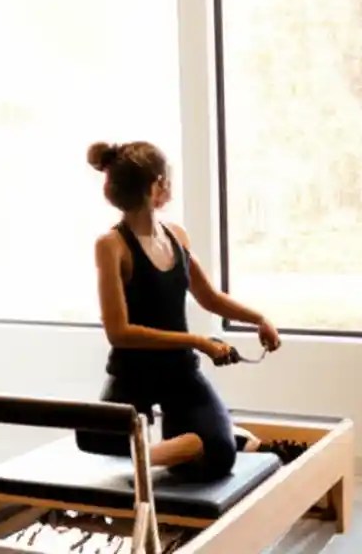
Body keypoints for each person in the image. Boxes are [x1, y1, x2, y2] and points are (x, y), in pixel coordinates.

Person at [76, 140, 283, 481]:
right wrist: (198, 342)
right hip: (132, 375)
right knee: (93, 439)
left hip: (178, 371)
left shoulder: (176, 236)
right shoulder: (111, 246)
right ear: (157, 185)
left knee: (219, 455)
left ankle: (166, 449)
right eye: (166, 179)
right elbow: (119, 333)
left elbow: (209, 296)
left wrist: (259, 319)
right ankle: (167, 447)